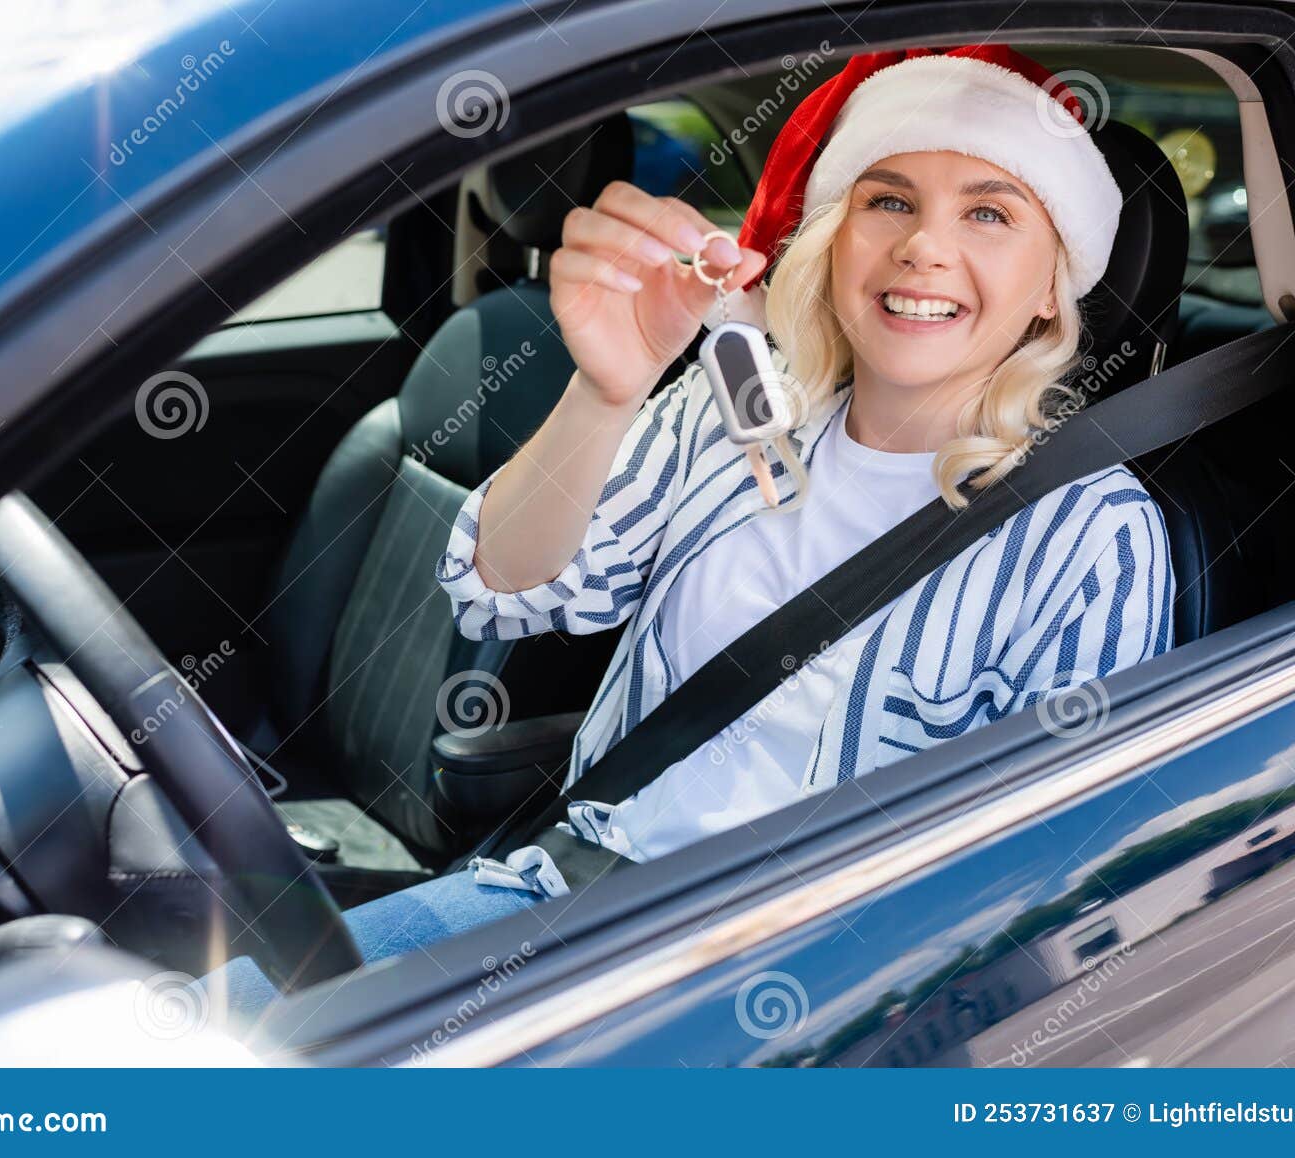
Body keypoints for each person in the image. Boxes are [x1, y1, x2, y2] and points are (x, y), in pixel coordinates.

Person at [208, 43, 1175, 1016]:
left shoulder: (1088, 529)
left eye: (988, 212)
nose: (923, 246)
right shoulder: (728, 413)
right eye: (887, 201)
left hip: (821, 999)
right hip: (566, 909)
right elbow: (501, 588)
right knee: (208, 1029)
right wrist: (605, 389)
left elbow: (1056, 876)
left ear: (1053, 286)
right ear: (833, 240)